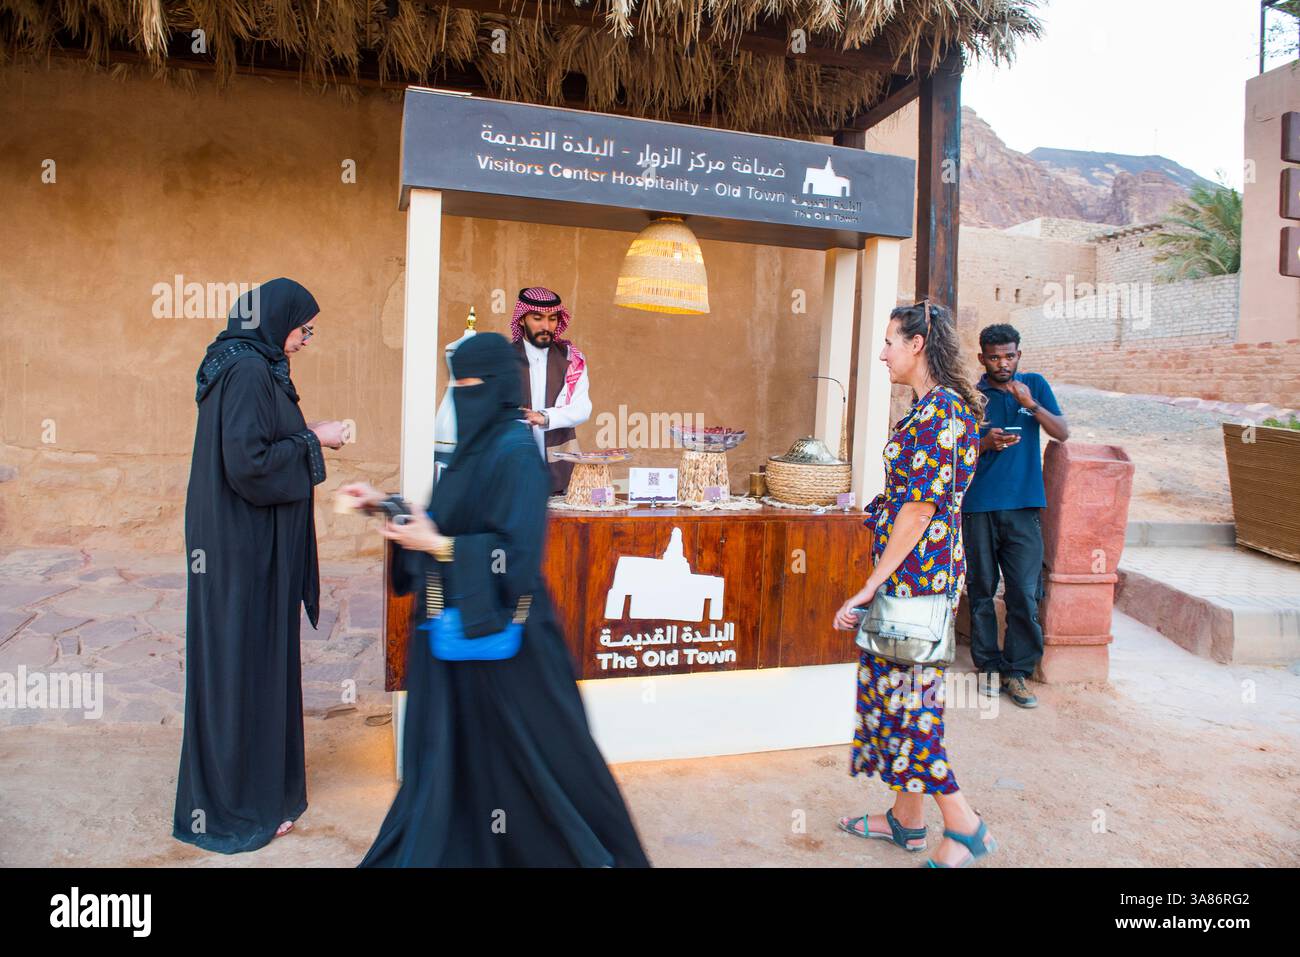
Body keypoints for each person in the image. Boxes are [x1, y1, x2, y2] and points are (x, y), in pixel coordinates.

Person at [342, 332, 648, 867]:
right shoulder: (477, 447)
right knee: (454, 771)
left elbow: (517, 558)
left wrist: (436, 545)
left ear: (499, 386)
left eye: (471, 383)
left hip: (513, 657)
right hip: (460, 650)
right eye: (454, 383)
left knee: (539, 770)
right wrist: (384, 507)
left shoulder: (514, 455)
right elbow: (448, 521)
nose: (462, 393)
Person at [174, 278, 347, 854]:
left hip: (249, 546)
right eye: (304, 327)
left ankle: (262, 792)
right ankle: (237, 808)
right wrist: (315, 438)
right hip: (241, 550)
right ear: (277, 320)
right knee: (241, 669)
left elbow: (260, 442)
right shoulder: (247, 369)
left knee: (253, 665)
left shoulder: (252, 362)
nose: (305, 339)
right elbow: (248, 464)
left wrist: (304, 438)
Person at [833, 301, 996, 868]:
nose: (883, 354)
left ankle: (967, 828)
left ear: (918, 344)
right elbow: (906, 499)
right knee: (897, 698)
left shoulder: (940, 414)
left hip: (916, 581)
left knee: (908, 709)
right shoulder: (929, 410)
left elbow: (920, 510)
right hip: (916, 576)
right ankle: (907, 821)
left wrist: (866, 587)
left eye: (889, 343)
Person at [963, 323, 1070, 710]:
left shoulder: (1034, 386)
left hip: (1025, 506)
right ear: (982, 359)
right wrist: (983, 443)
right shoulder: (971, 395)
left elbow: (1063, 433)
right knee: (982, 591)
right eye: (994, 357)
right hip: (977, 507)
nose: (1002, 363)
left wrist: (1030, 404)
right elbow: (953, 451)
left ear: (1019, 355)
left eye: (1009, 355)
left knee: (1025, 593)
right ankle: (989, 666)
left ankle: (1018, 672)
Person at [510, 286, 592, 495]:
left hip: (559, 472)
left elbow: (582, 408)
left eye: (553, 318)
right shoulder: (504, 359)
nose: (546, 326)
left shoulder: (571, 359)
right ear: (521, 319)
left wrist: (545, 417)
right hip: (512, 467)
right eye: (537, 318)